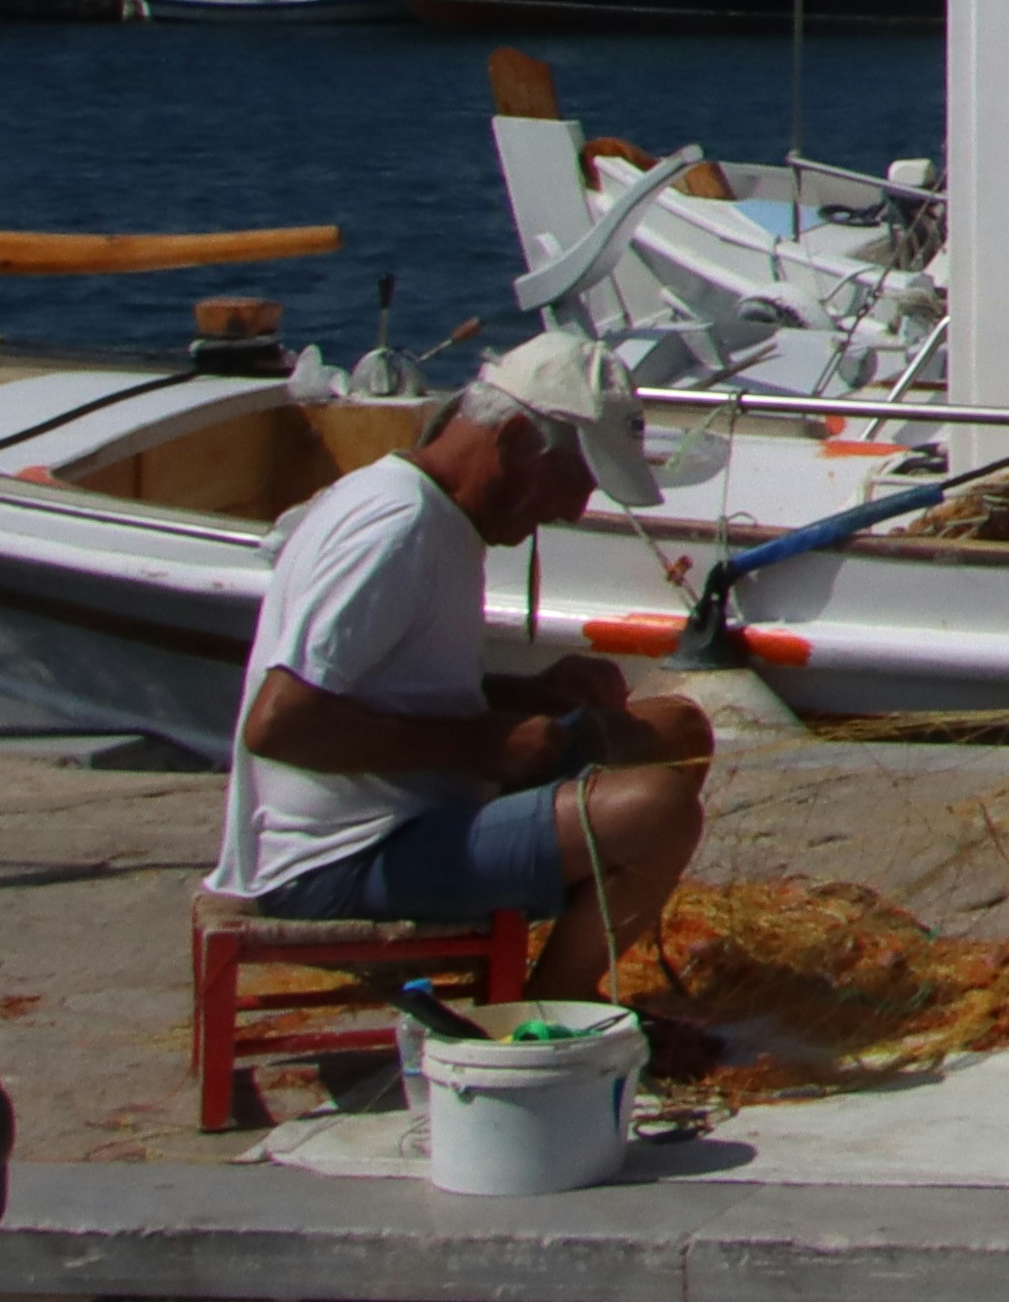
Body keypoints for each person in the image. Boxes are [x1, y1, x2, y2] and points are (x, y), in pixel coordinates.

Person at [211, 330, 714, 1001]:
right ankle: (553, 1008)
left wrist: (525, 692)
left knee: (676, 731)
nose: (572, 510)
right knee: (657, 810)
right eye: (573, 483)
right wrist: (482, 744)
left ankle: (561, 977)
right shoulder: (395, 527)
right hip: (336, 861)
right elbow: (279, 724)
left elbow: (393, 684)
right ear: (508, 444)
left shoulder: (435, 513)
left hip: (414, 813)